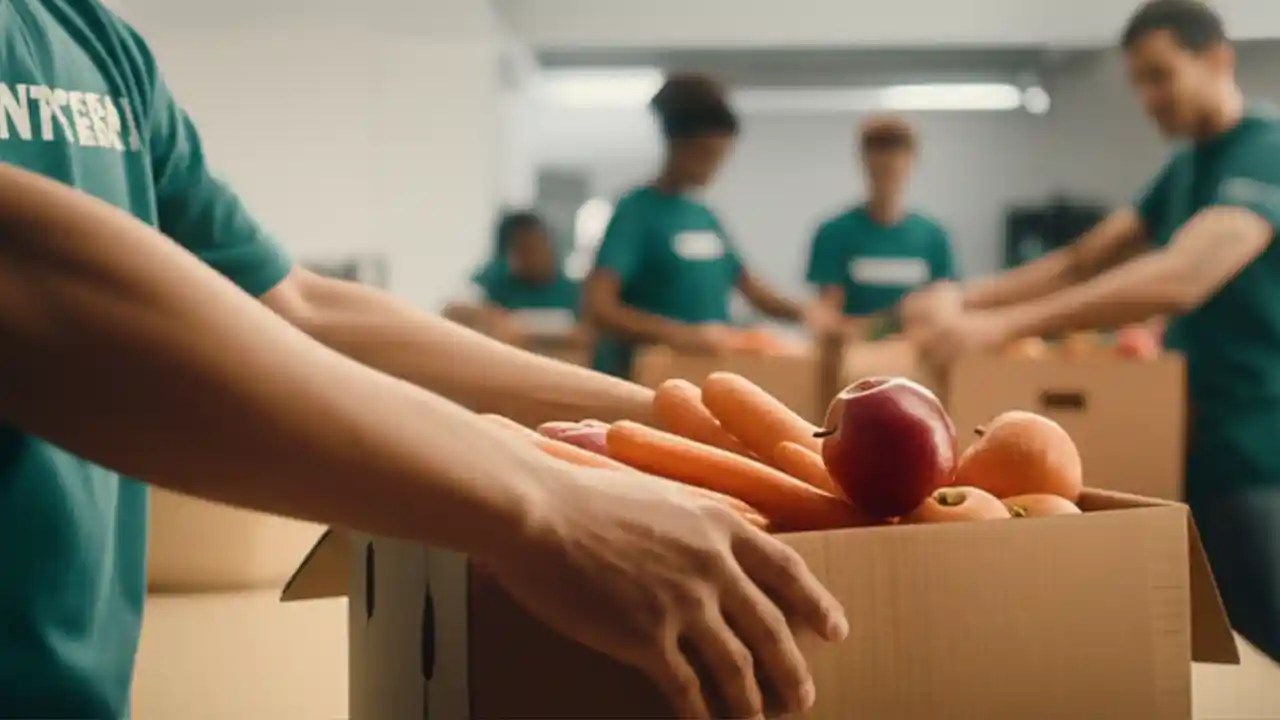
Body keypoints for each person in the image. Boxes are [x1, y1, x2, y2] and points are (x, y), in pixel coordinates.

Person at [0, 4, 847, 718]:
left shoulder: (86, 36)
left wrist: (682, 431)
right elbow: (33, 288)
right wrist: (542, 508)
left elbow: (297, 307)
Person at [906, 0, 1280, 662]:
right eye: (1138, 81)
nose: (1148, 98)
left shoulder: (1266, 151)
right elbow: (1083, 259)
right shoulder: (1188, 165)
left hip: (1263, 447)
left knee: (1266, 636)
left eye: (1161, 75)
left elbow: (1182, 276)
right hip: (1198, 438)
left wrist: (998, 327)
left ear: (1218, 59)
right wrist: (962, 297)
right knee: (1221, 647)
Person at [583, 73, 830, 378]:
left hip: (700, 375)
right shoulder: (635, 212)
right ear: (679, 146)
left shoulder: (704, 216)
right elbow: (599, 307)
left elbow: (750, 286)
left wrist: (806, 313)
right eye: (708, 154)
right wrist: (680, 335)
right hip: (644, 375)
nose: (716, 167)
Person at [808, 116, 955, 334]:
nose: (888, 165)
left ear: (913, 160)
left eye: (897, 154)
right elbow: (828, 311)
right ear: (864, 161)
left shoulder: (933, 236)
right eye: (879, 154)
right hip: (856, 355)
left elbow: (943, 307)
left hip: (916, 356)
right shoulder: (834, 234)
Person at [446, 210, 585, 348]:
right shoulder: (494, 280)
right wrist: (496, 319)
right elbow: (453, 310)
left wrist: (527, 331)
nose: (537, 257)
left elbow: (583, 336)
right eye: (527, 250)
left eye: (540, 246)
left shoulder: (570, 289)